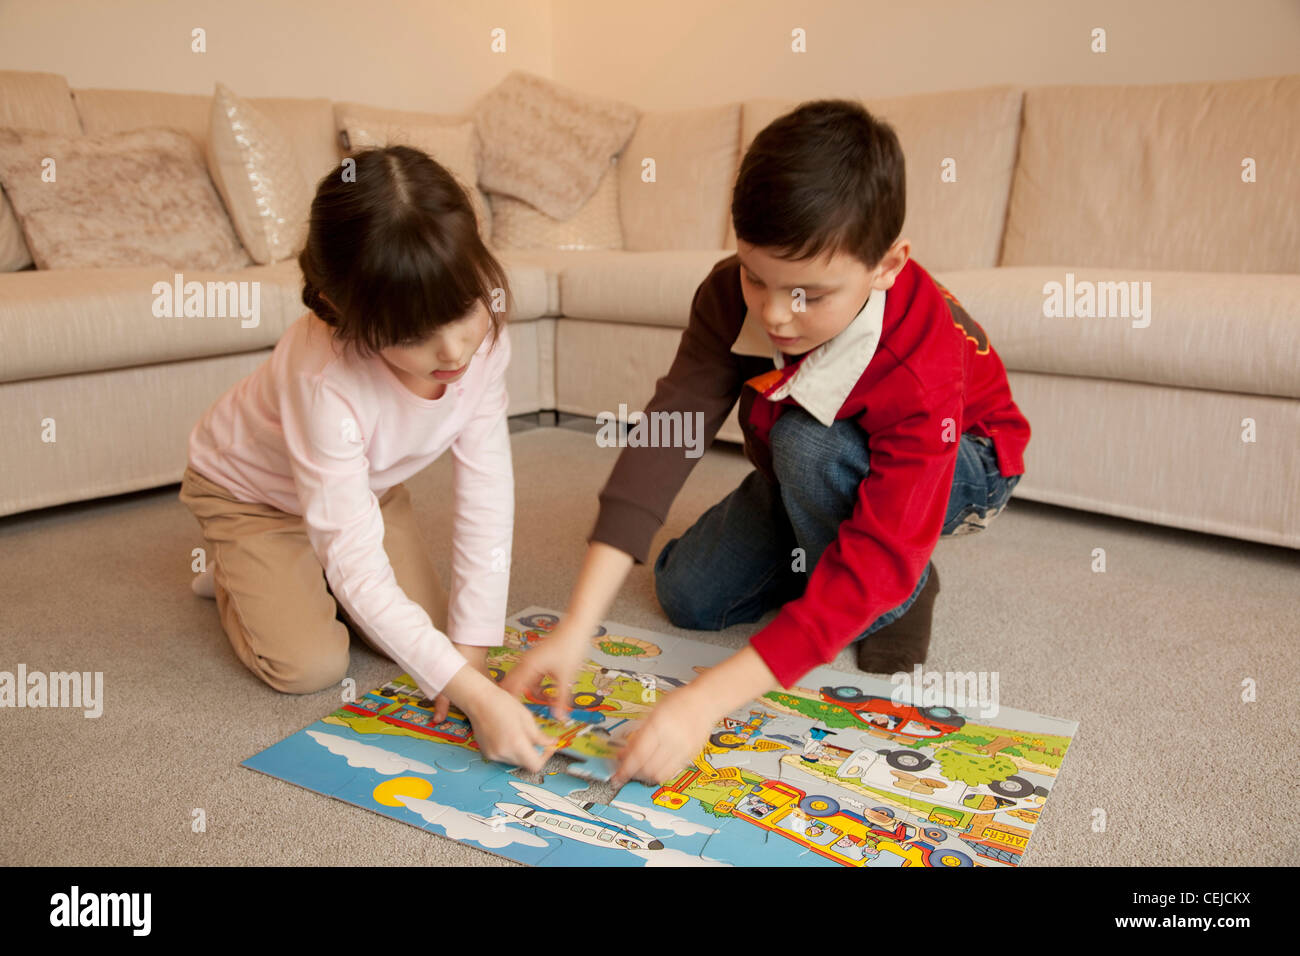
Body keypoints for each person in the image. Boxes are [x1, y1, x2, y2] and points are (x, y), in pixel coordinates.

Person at [501, 99, 1030, 786]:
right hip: (807, 454)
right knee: (688, 593)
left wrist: (703, 702)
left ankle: (905, 590)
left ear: (888, 264)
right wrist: (577, 624)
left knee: (814, 449)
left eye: (809, 293)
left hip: (969, 464)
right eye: (757, 276)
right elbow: (669, 434)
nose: (776, 313)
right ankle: (822, 542)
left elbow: (873, 534)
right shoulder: (730, 297)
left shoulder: (916, 359)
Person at [179, 145, 553, 771]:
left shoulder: (485, 334)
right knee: (310, 666)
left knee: (437, 635)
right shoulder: (324, 376)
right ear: (342, 312)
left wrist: (472, 659)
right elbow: (354, 561)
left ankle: (304, 566)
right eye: (412, 335)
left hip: (365, 490)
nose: (456, 348)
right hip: (253, 497)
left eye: (464, 311)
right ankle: (233, 568)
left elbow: (486, 491)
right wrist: (470, 696)